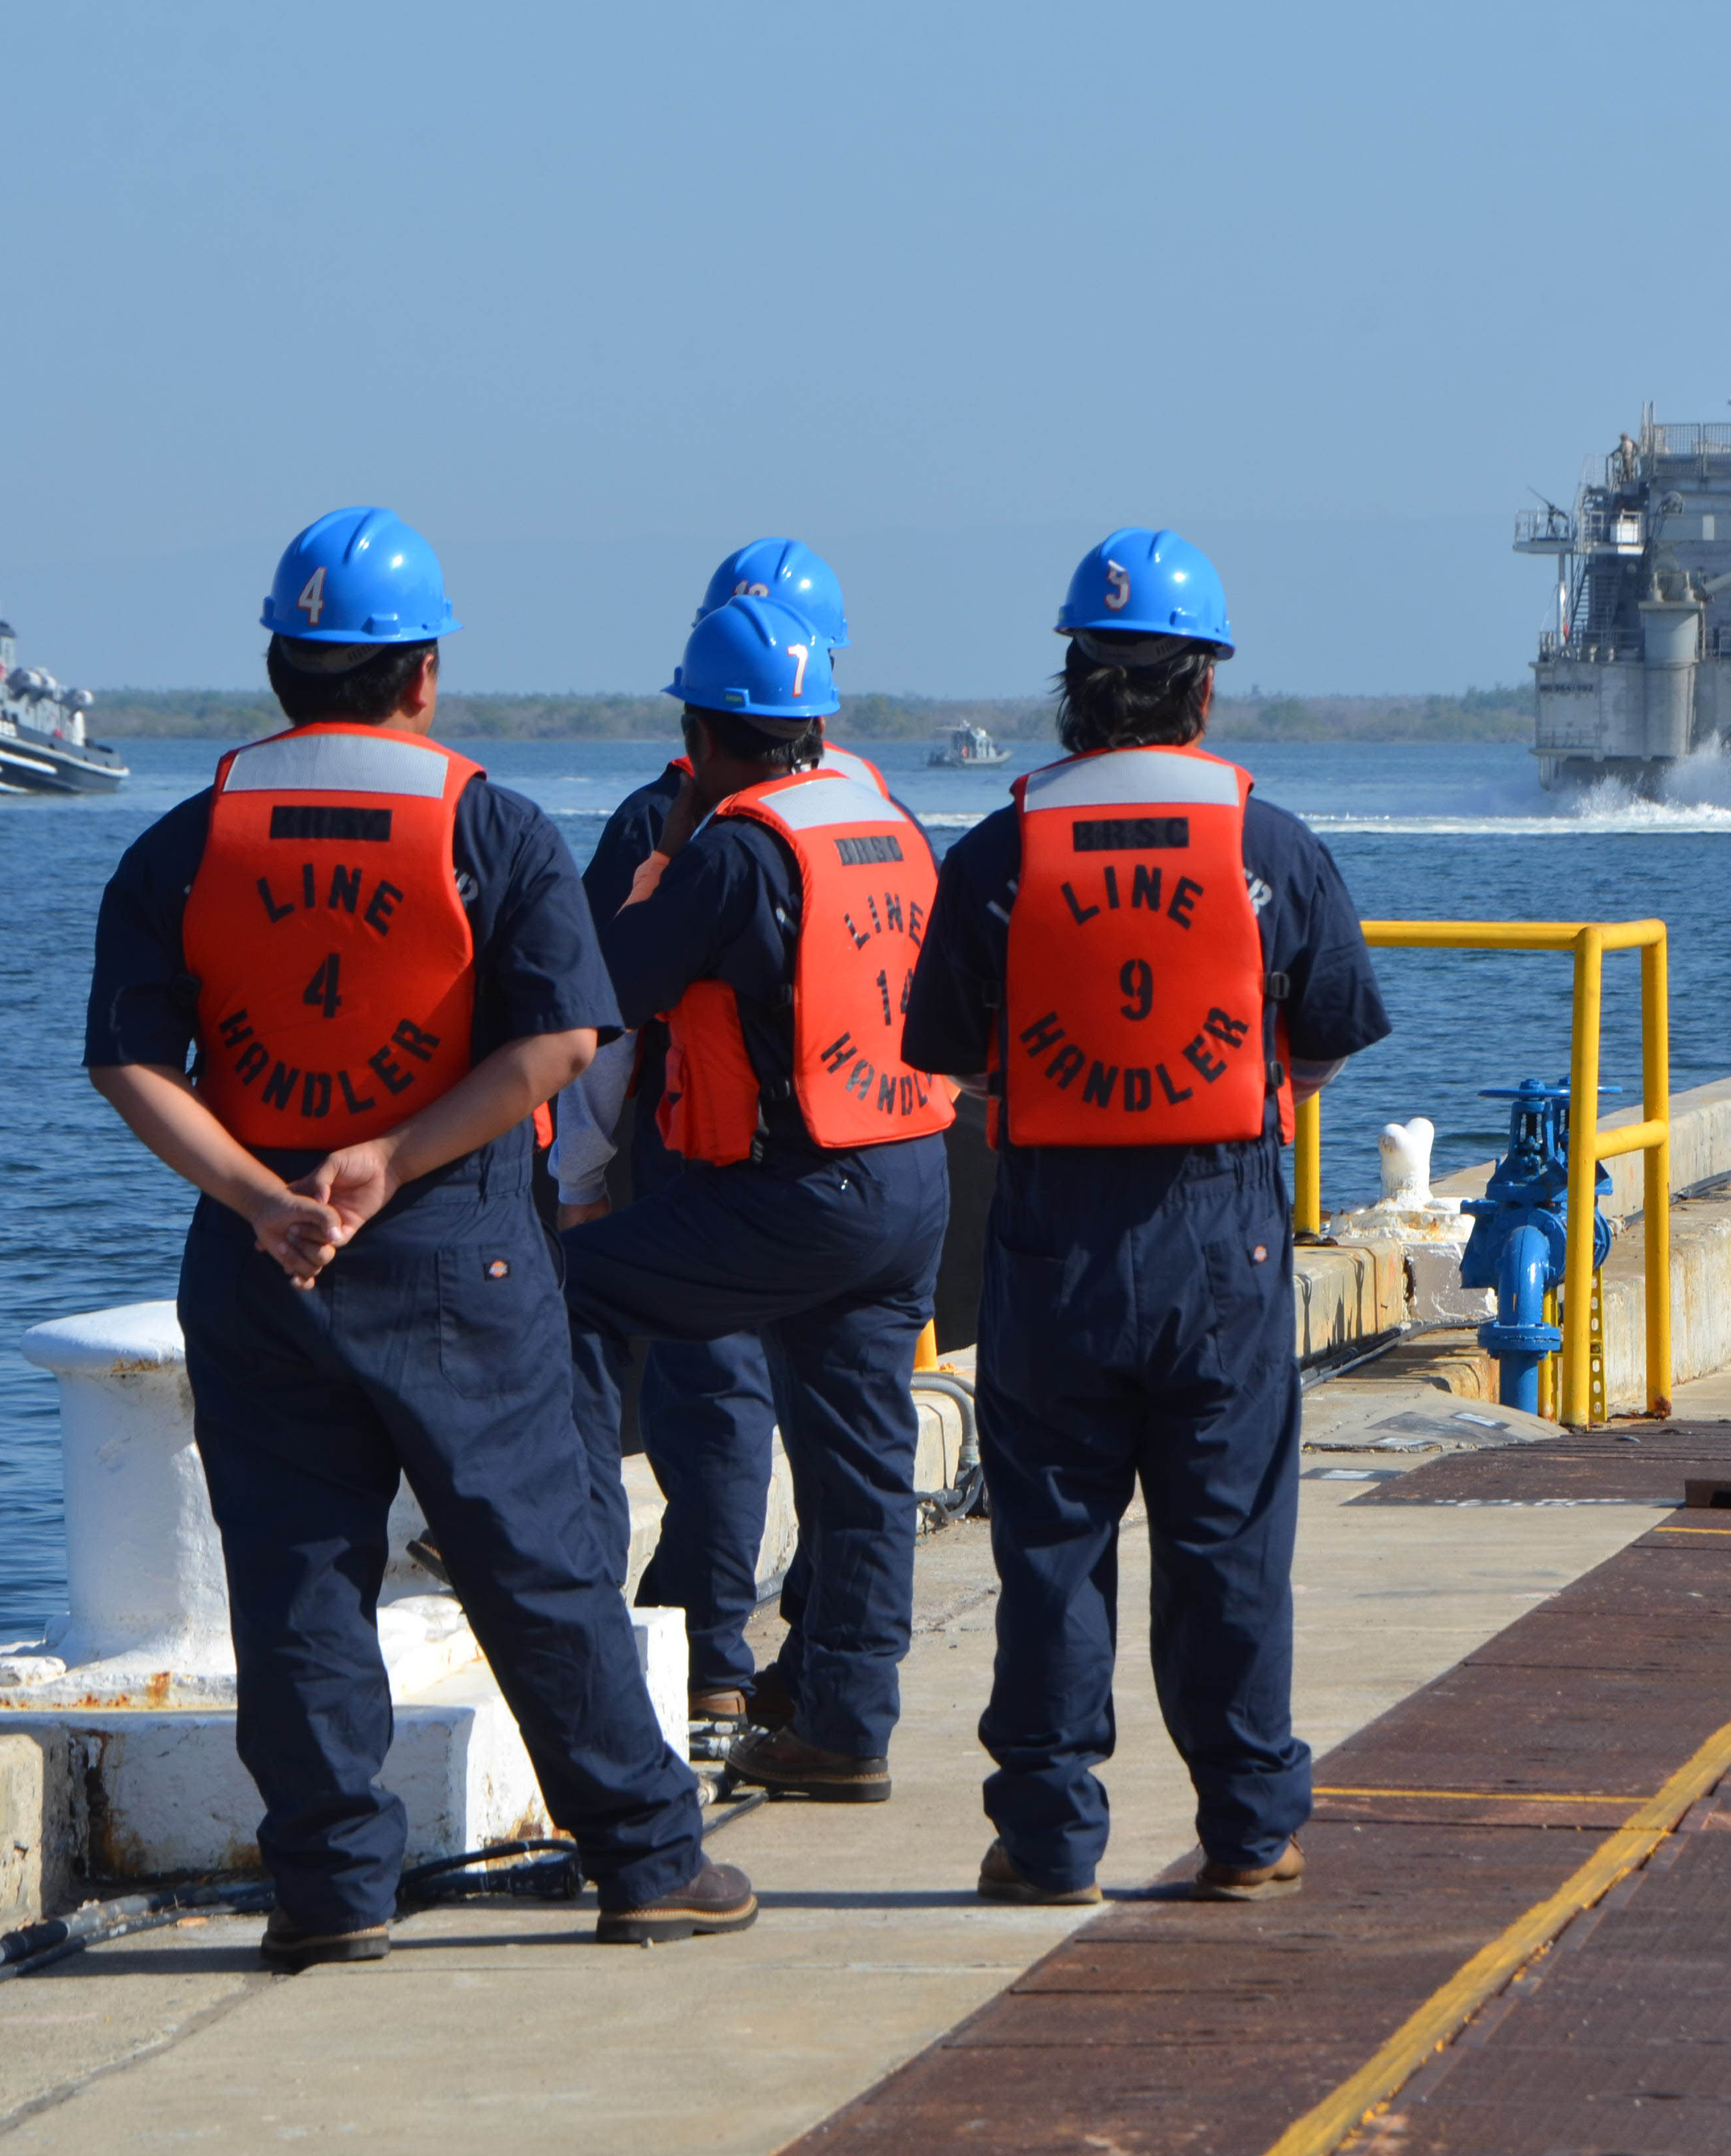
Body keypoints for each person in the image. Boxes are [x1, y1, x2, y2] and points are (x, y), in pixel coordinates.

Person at [83, 507, 749, 1966]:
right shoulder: (488, 827)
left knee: (297, 1570)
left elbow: (132, 1062)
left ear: (280, 667)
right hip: (458, 1245)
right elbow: (562, 1046)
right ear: (423, 674)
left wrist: (264, 1198)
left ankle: (329, 1897)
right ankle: (644, 1859)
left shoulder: (188, 837)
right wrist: (387, 1155)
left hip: (262, 1262)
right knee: (538, 1559)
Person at [901, 528, 1388, 1907]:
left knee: (1050, 1550)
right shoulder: (1270, 845)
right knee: (1227, 1541)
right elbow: (1332, 1030)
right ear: (1205, 692)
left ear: (1073, 684)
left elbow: (944, 1046)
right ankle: (1248, 1830)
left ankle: (1049, 1841)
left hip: (1053, 1237)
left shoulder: (1001, 850)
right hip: (1220, 1230)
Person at [561, 592, 953, 1809]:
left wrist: (672, 839)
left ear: (702, 730)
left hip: (798, 1193)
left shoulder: (735, 846)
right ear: (817, 721)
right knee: (861, 1460)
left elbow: (610, 985)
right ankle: (843, 1714)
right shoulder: (880, 819)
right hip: (911, 1176)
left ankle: (568, 1587)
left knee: (566, 1291)